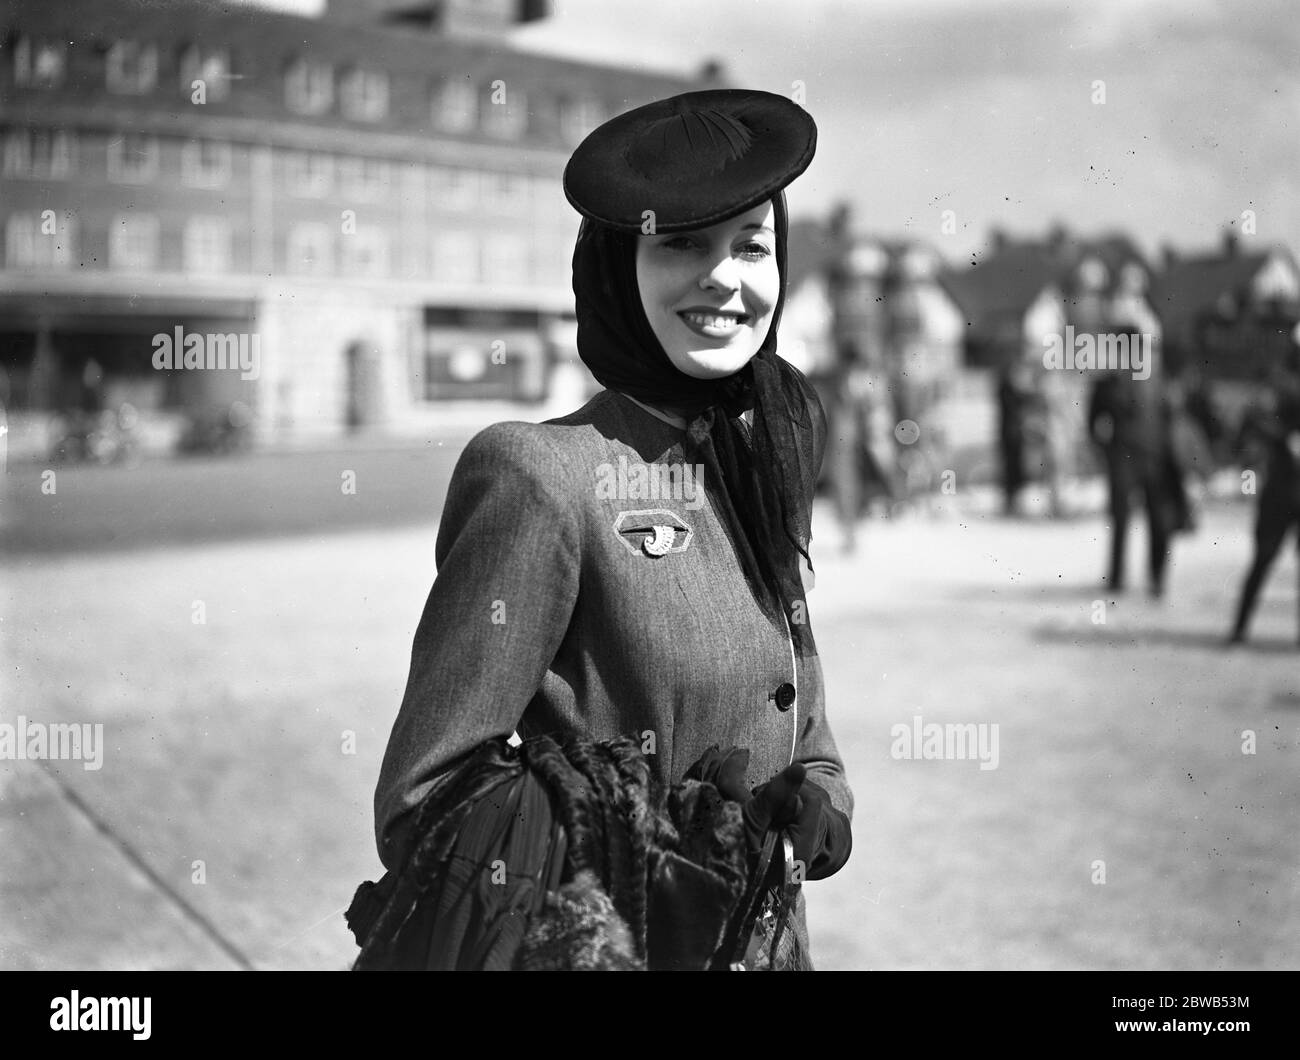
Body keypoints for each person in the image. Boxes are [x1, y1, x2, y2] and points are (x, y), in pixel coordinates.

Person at [372, 89, 853, 967]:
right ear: (615, 268)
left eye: (753, 245)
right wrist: (656, 837)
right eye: (681, 246)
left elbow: (797, 705)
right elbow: (425, 799)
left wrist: (820, 799)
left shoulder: (768, 444)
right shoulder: (539, 475)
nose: (725, 276)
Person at [1087, 341, 1178, 596]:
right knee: (1120, 520)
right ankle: (1116, 579)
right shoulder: (1106, 383)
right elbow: (1092, 425)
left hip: (1156, 461)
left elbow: (1169, 419)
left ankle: (1157, 578)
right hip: (1123, 460)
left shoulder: (1159, 381)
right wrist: (1108, 454)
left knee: (1160, 522)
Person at [1227, 355, 1300, 647]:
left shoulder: (1277, 396)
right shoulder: (1276, 397)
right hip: (1281, 493)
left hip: (1283, 491)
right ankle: (1239, 627)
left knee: (1261, 562)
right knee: (1262, 560)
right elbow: (1249, 437)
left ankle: (1239, 628)